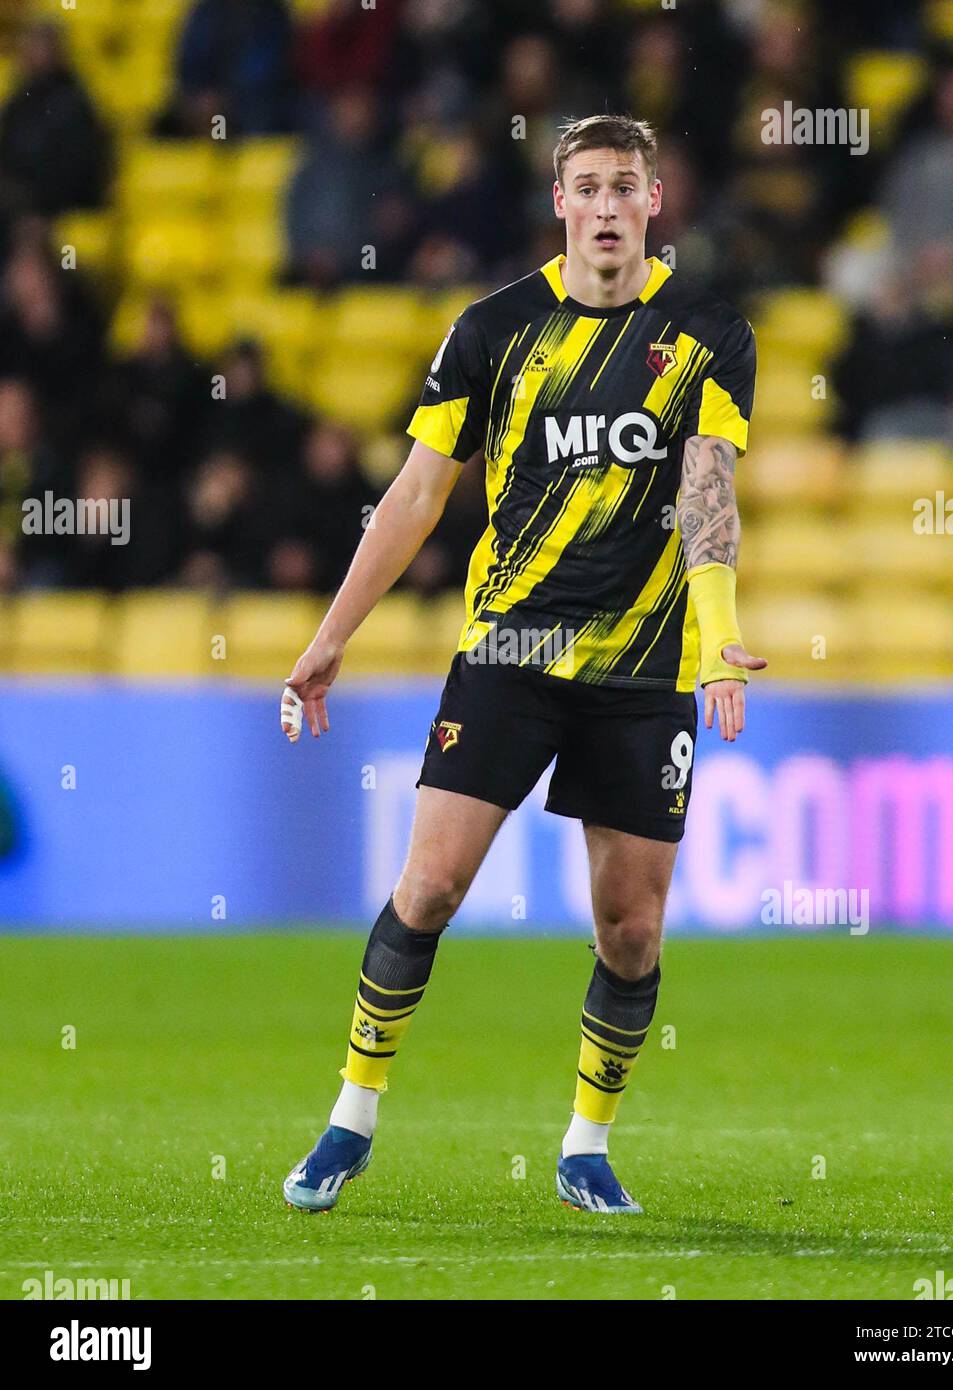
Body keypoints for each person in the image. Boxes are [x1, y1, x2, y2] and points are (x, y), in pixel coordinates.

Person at [279, 114, 765, 1215]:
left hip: (641, 669)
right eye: (586, 186)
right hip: (509, 649)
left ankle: (585, 1143)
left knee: (630, 930)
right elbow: (415, 493)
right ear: (559, 203)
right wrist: (331, 634)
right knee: (433, 882)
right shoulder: (493, 329)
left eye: (624, 187)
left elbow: (707, 489)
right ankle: (350, 1116)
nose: (605, 207)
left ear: (653, 202)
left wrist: (717, 630)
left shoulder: (706, 331)